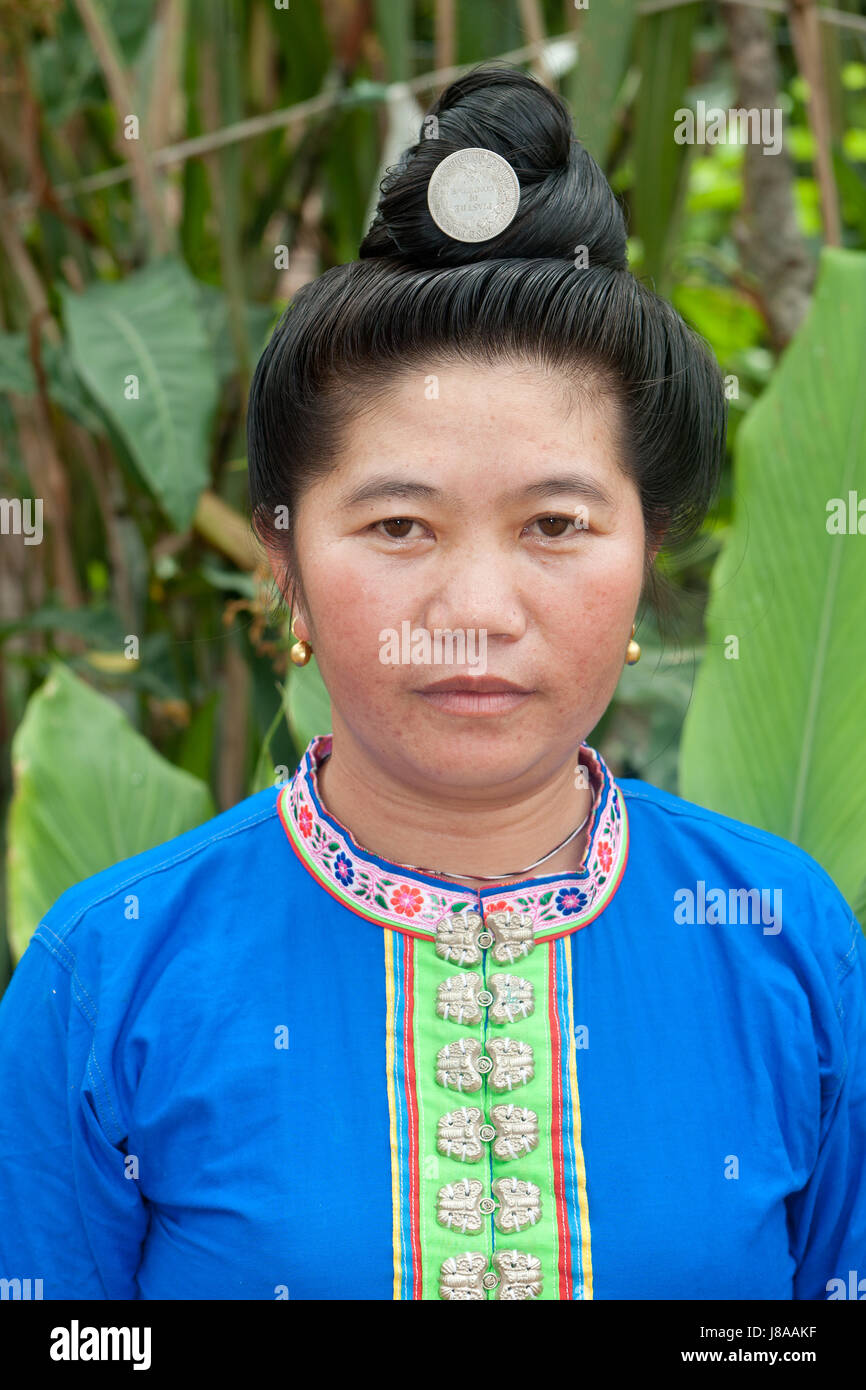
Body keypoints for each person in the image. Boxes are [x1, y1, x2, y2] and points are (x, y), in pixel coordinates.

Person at [0, 64, 863, 1302]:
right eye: (399, 527)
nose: (474, 612)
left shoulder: (783, 941)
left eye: (555, 525)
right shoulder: (111, 973)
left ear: (649, 547)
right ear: (283, 562)